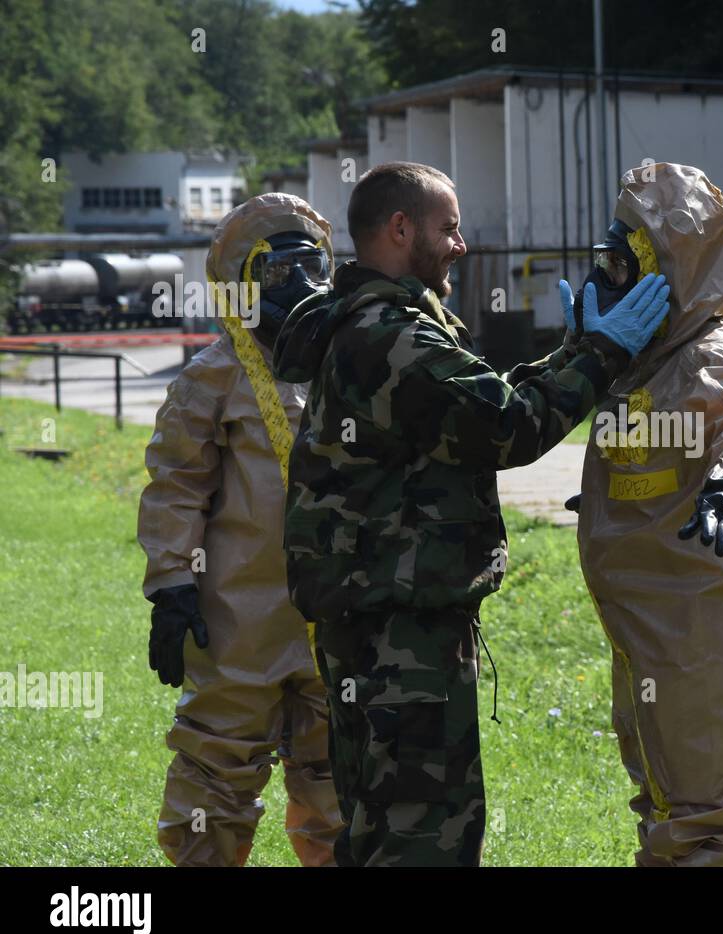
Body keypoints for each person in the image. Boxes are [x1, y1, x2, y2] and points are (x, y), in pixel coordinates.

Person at [272, 161, 670, 866]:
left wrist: (576, 348)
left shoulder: (376, 323)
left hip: (376, 622)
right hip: (400, 635)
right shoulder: (392, 337)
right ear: (400, 229)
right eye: (448, 228)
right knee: (422, 837)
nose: (460, 244)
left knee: (378, 830)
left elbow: (478, 398)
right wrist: (605, 354)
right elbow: (507, 424)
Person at [566, 163, 723, 865]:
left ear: (671, 265)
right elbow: (645, 452)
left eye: (618, 262)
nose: (603, 277)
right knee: (661, 786)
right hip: (643, 627)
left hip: (696, 625)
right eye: (603, 260)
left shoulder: (710, 349)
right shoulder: (643, 359)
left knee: (706, 806)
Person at [137, 192, 343, 866]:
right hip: (236, 621)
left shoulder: (345, 370)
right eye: (282, 276)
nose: (304, 290)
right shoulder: (213, 377)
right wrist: (172, 583)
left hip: (334, 616)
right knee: (217, 771)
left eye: (313, 270)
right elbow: (176, 484)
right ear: (244, 284)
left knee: (337, 774)